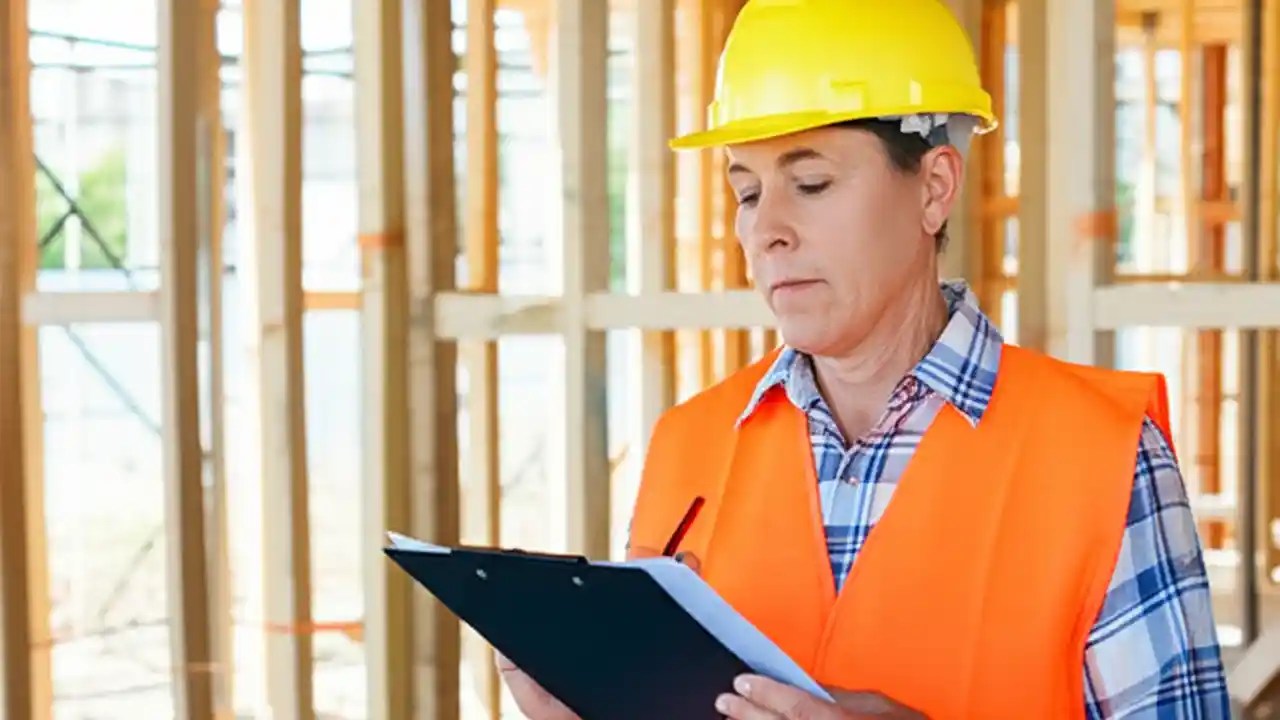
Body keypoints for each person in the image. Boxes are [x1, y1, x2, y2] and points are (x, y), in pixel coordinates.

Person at [498, 0, 1231, 717]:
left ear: (935, 188)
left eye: (810, 183)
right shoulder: (687, 447)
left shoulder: (1103, 457)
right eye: (747, 192)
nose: (767, 231)